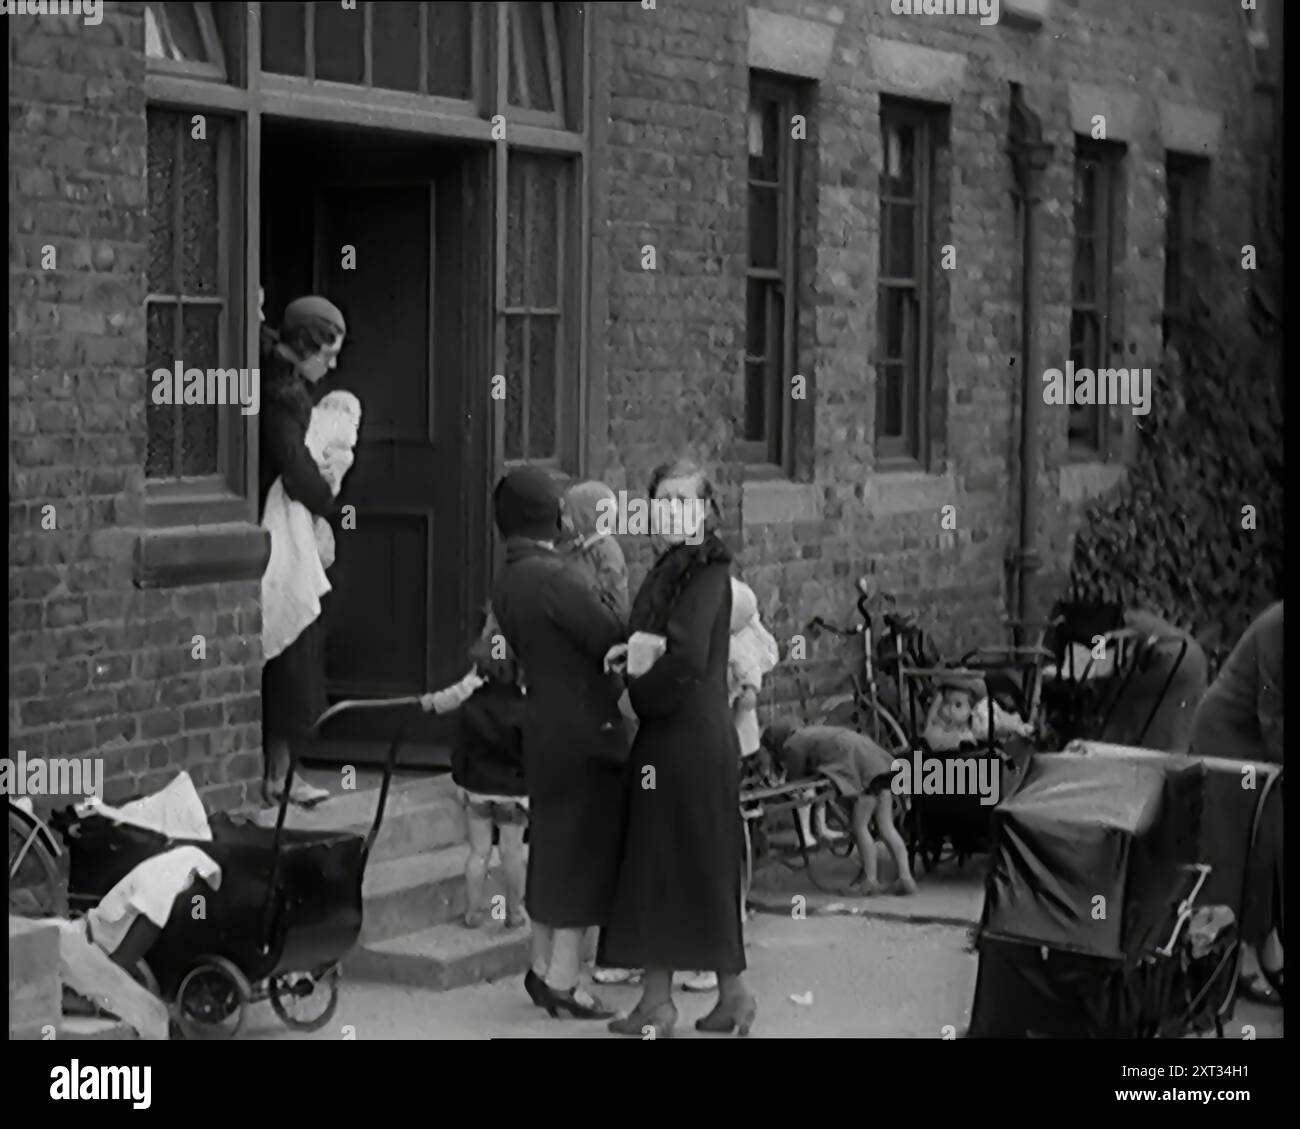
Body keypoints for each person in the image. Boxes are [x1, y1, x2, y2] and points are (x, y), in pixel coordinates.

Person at [599, 458, 755, 1038]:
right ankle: (659, 1002)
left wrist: (637, 700)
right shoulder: (675, 568)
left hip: (688, 738)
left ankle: (731, 998)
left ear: (706, 510)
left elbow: (687, 659)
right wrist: (630, 653)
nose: (672, 512)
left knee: (697, 866)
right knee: (658, 868)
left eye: (684, 501)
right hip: (673, 736)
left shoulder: (707, 570)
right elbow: (662, 642)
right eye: (662, 501)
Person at [490, 466, 630, 1020]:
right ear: (554, 517)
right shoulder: (556, 578)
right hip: (584, 728)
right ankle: (566, 980)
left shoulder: (510, 576)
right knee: (580, 850)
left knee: (549, 844)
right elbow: (612, 633)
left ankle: (541, 965)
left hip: (543, 724)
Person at [258, 295, 349, 807]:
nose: (331, 364)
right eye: (328, 352)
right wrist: (327, 493)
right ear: (307, 346)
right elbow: (295, 467)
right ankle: (280, 774)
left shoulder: (278, 380)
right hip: (281, 528)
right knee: (292, 645)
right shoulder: (284, 396)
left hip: (279, 522)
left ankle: (282, 770)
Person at [1188, 600, 1283, 1004]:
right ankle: (1241, 959)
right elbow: (1273, 714)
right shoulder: (1278, 629)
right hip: (1228, 738)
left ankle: (1268, 948)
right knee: (1249, 848)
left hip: (1260, 739)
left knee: (1272, 842)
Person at [420, 608, 527, 930]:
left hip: (478, 786)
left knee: (478, 851)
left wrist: (430, 703)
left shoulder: (473, 696)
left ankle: (474, 911)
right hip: (514, 789)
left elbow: (457, 728)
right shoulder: (526, 704)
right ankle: (513, 911)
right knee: (512, 853)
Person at [760, 718, 918, 897]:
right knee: (887, 828)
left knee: (860, 827)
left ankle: (870, 881)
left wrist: (778, 786)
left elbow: (796, 782)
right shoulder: (811, 732)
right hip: (879, 762)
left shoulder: (792, 744)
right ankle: (905, 879)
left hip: (861, 771)